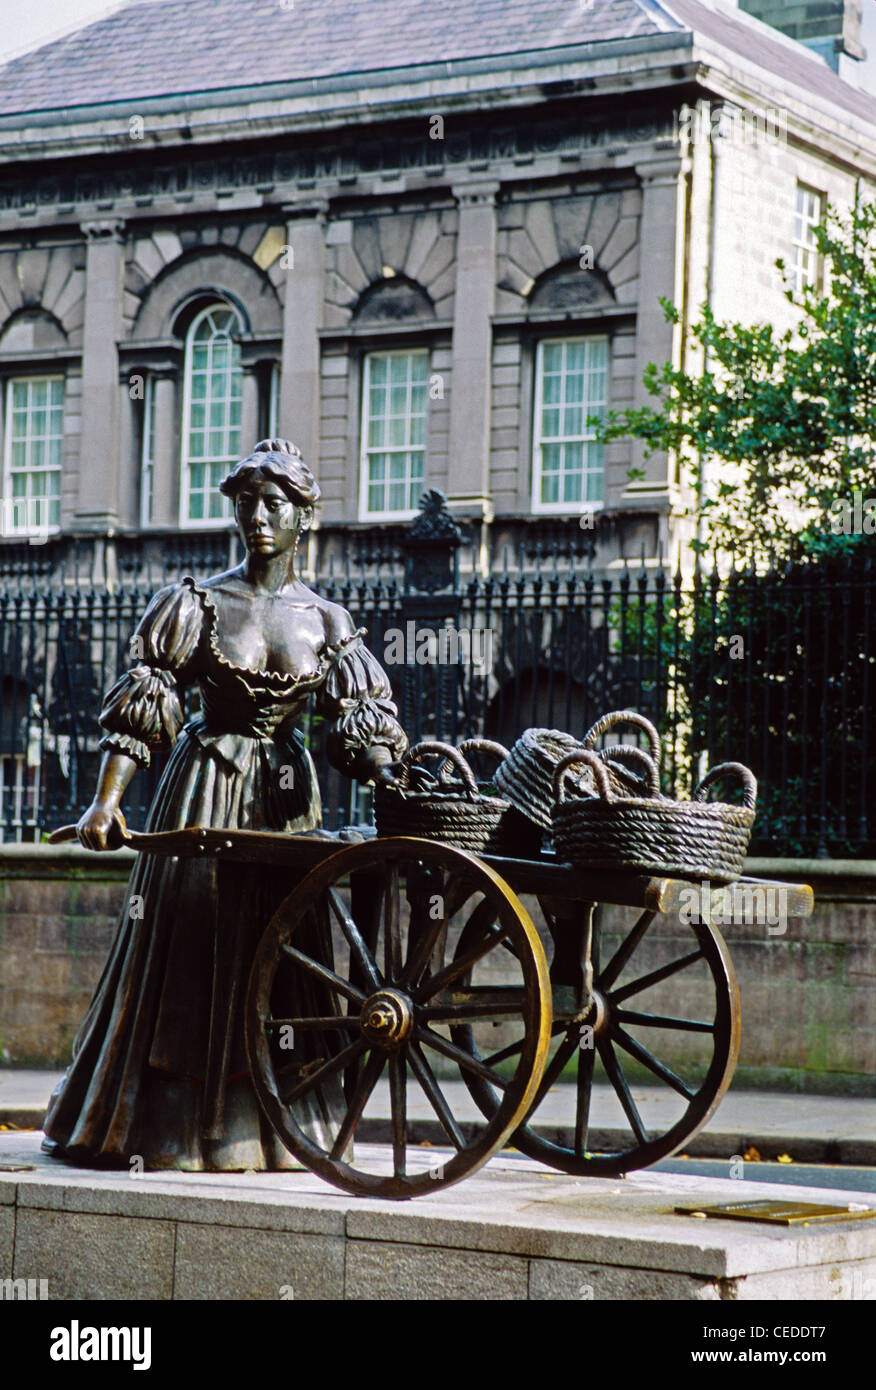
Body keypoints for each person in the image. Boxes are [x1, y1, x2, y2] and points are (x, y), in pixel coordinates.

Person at [42, 438, 408, 1171]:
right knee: (189, 954)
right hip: (204, 793)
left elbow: (358, 726)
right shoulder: (197, 603)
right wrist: (106, 803)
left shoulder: (329, 623)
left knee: (283, 955)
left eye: (276, 503)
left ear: (307, 517)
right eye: (246, 502)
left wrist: (388, 775)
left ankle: (271, 1126)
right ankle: (167, 1128)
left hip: (285, 806)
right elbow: (144, 710)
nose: (258, 517)